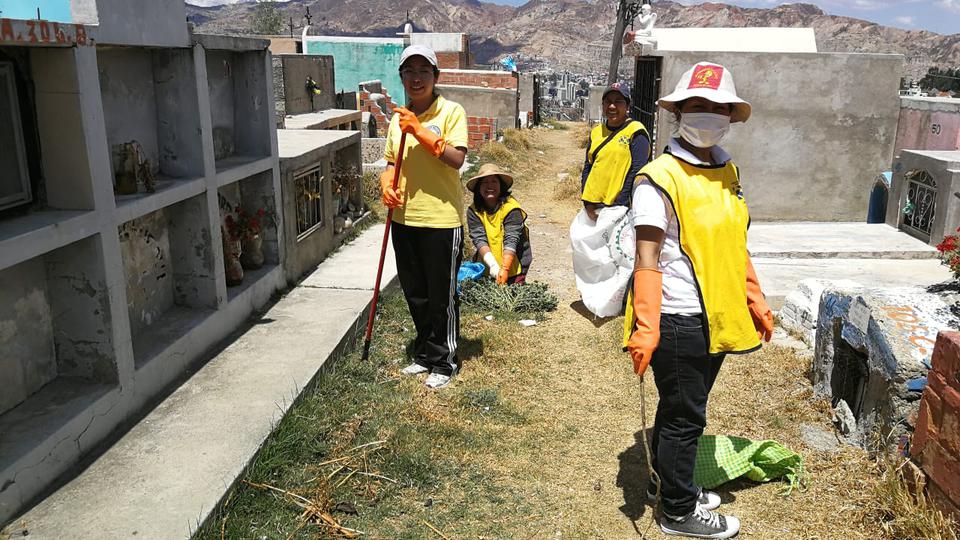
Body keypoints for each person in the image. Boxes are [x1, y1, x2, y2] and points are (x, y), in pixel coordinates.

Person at [623, 62, 774, 539]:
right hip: (678, 314)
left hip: (717, 314)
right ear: (679, 112)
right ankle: (678, 512)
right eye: (697, 106)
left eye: (716, 107)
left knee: (680, 408)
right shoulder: (657, 177)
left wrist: (755, 299)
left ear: (729, 115)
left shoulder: (727, 171)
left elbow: (734, 244)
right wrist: (647, 324)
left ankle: (673, 484)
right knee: (686, 416)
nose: (707, 114)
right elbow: (646, 255)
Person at [380, 44, 469, 389]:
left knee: (440, 295)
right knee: (415, 290)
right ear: (401, 77)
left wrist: (419, 130)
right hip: (404, 218)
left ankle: (444, 360)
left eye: (423, 72)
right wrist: (387, 183)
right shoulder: (397, 119)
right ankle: (424, 354)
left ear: (436, 77)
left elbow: (457, 158)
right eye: (409, 72)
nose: (416, 78)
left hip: (440, 220)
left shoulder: (451, 112)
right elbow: (391, 161)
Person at [580, 82, 651, 221]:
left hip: (620, 209)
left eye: (618, 102)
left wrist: (621, 203)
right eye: (608, 102)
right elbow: (588, 166)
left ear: (627, 106)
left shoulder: (636, 132)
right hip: (593, 207)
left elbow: (638, 170)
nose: (612, 106)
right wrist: (587, 200)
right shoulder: (596, 132)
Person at [465, 163, 533, 285]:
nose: (489, 186)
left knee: (513, 296)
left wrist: (505, 268)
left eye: (494, 182)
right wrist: (492, 265)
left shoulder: (511, 208)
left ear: (501, 185)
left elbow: (511, 238)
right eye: (484, 182)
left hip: (514, 263)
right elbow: (479, 238)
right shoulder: (473, 211)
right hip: (487, 264)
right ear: (478, 187)